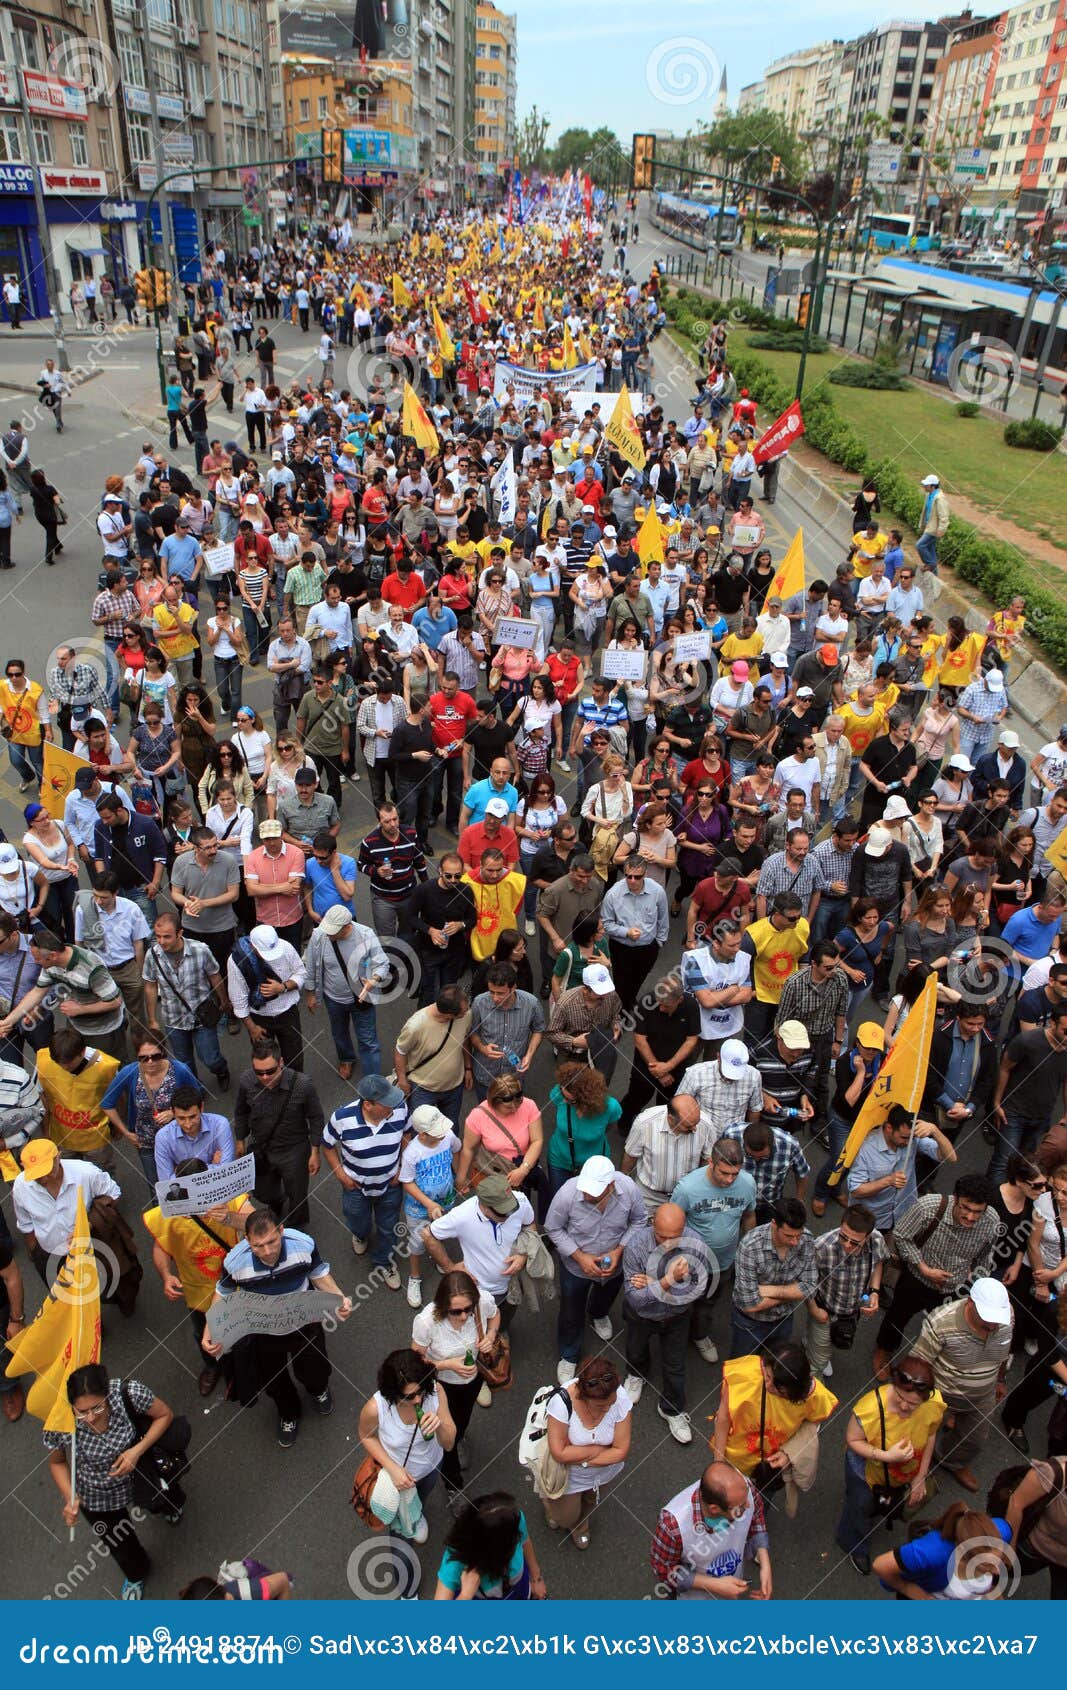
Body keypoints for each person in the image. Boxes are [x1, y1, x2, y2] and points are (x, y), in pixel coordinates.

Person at [202, 1206, 351, 1449]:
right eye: (258, 1246)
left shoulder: (303, 1245)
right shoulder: (234, 1262)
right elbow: (223, 1292)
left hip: (305, 1320)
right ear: (246, 1240)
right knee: (274, 1379)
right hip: (263, 1329)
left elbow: (317, 1272)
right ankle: (288, 1412)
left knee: (315, 1367)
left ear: (281, 1230)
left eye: (272, 1241)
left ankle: (317, 1389)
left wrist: (338, 1297)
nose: (267, 1251)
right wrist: (211, 1328)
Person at [45, 1363, 185, 1599]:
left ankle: (170, 1506)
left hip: (141, 1473)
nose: (89, 1417)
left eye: (97, 1408)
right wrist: (70, 1496)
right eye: (80, 1411)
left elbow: (164, 1415)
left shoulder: (129, 1393)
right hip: (96, 1493)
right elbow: (57, 1462)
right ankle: (136, 1574)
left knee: (163, 1499)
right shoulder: (60, 1420)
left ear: (108, 1395)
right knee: (119, 1542)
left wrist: (136, 1451)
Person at [143, 1160, 253, 1397]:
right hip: (198, 1291)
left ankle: (245, 1368)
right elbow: (161, 1247)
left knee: (241, 1332)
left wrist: (229, 1218)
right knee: (202, 1332)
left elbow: (256, 1223)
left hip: (234, 1286)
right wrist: (166, 1275)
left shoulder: (230, 1198)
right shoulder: (171, 1211)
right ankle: (213, 1366)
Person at [357, 1349, 457, 1587]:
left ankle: (417, 1511)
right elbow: (366, 1436)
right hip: (397, 1481)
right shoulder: (376, 1408)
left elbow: (449, 1443)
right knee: (402, 1538)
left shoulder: (435, 1392)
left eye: (421, 1391)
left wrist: (440, 1424)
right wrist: (393, 1469)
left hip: (431, 1468)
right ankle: (407, 1587)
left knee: (421, 1496)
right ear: (392, 1394)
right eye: (409, 1397)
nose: (418, 1400)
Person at [836, 1353, 943, 1575]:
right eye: (900, 1397)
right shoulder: (869, 1409)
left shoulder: (933, 1405)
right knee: (860, 1506)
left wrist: (920, 1476)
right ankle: (854, 1544)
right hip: (865, 1471)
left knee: (877, 1504)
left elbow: (931, 1436)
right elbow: (852, 1439)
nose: (904, 1406)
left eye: (913, 1403)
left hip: (902, 1473)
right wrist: (887, 1457)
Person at [712, 1337, 837, 1519]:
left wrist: (790, 1453)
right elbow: (723, 1418)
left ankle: (753, 1524)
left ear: (795, 1389)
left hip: (771, 1465)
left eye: (777, 1386)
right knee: (729, 1501)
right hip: (735, 1457)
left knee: (760, 1502)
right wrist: (718, 1462)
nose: (767, 1385)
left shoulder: (814, 1396)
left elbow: (813, 1424)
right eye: (767, 1376)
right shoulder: (746, 1374)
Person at [546, 1156, 645, 1383]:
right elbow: (553, 1228)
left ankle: (598, 1314)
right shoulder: (568, 1193)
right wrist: (580, 1257)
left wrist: (619, 1251)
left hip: (614, 1263)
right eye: (587, 1191)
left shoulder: (628, 1189)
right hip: (575, 1265)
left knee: (607, 1295)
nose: (588, 1195)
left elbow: (639, 1220)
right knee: (571, 1310)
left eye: (595, 1192)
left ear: (611, 1186)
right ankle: (569, 1354)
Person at [910, 1279, 1014, 1491]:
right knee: (918, 1436)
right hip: (941, 1395)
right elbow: (919, 1363)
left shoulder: (1008, 1317)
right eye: (988, 1318)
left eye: (997, 1319)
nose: (993, 1325)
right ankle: (912, 1467)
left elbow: (1004, 1352)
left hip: (983, 1395)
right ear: (969, 1303)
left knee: (974, 1440)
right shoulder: (941, 1321)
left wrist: (1001, 1380)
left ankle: (951, 1460)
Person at [621, 1201, 710, 1445]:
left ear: (684, 1228)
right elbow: (636, 1300)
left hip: (676, 1317)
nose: (668, 1243)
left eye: (674, 1237)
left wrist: (656, 1283)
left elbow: (698, 1290)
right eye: (661, 1236)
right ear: (652, 1225)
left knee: (675, 1364)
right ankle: (636, 1374)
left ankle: (672, 1409)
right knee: (636, 1348)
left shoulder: (697, 1246)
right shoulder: (636, 1247)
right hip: (643, 1315)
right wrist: (669, 1280)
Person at [412, 1267, 500, 1493]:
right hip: (441, 1385)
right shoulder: (426, 1322)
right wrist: (447, 1365)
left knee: (463, 1417)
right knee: (446, 1434)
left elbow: (494, 1315)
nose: (463, 1316)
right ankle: (453, 1486)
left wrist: (490, 1336)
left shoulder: (481, 1302)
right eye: (456, 1311)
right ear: (442, 1307)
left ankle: (459, 1435)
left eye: (468, 1309)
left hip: (472, 1380)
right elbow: (416, 1361)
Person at [424, 1173, 536, 1334]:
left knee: (503, 1320)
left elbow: (530, 1225)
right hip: (479, 1291)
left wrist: (523, 1255)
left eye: (510, 1209)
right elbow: (428, 1235)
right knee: (474, 1332)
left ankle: (498, 1333)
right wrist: (450, 1268)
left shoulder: (521, 1201)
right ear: (483, 1205)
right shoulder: (462, 1216)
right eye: (502, 1212)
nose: (508, 1215)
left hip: (513, 1285)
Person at [542, 1356, 634, 1550]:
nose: (609, 1408)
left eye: (612, 1402)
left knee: (591, 1501)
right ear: (584, 1397)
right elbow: (559, 1453)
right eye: (601, 1406)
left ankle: (581, 1526)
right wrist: (597, 1451)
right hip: (569, 1477)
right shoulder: (562, 1402)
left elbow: (620, 1451)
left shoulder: (619, 1396)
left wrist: (579, 1457)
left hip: (602, 1473)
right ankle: (550, 1503)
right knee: (565, 1516)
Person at [0, 922, 126, 1061]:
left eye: (37, 959)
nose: (35, 962)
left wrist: (80, 1009)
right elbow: (37, 992)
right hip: (76, 1027)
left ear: (53, 955)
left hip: (103, 1030)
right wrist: (8, 1022)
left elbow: (115, 1001)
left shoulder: (91, 967)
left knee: (108, 1068)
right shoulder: (50, 965)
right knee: (78, 1066)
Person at [233, 1038, 323, 1230]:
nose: (265, 1077)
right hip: (262, 1147)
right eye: (259, 1072)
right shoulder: (247, 1081)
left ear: (281, 1062)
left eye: (270, 1071)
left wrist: (315, 1151)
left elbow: (316, 1118)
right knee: (261, 1190)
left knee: (297, 1195)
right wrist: (240, 1139)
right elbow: (241, 1112)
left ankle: (296, 1226)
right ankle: (277, 1200)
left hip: (294, 1149)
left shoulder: (302, 1085)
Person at [650, 1460, 772, 1600]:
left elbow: (755, 1515)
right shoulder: (672, 1525)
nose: (748, 1504)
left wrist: (765, 1562)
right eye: (741, 1507)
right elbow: (664, 1570)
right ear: (715, 1508)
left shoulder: (742, 1489)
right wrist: (714, 1585)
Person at [142, 911, 229, 1090]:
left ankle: (221, 1070)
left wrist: (224, 1001)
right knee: (184, 1062)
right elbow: (150, 986)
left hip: (201, 1016)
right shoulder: (153, 955)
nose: (161, 941)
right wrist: (152, 1020)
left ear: (180, 933)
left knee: (210, 1058)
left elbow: (214, 975)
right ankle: (195, 1088)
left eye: (167, 936)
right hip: (173, 1019)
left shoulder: (200, 950)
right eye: (158, 936)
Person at [303, 904, 388, 1082]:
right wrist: (310, 993)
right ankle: (346, 1058)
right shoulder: (320, 935)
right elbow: (311, 964)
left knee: (368, 1040)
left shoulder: (365, 935)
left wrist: (374, 980)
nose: (328, 934)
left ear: (347, 926)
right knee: (339, 1032)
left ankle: (372, 1081)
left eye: (333, 931)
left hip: (361, 997)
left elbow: (382, 964)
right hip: (333, 998)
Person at [805, 1203, 887, 1383]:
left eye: (855, 1242)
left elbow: (879, 1262)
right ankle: (814, 1392)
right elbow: (806, 1282)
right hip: (824, 1309)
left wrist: (874, 1291)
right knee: (816, 1364)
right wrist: (814, 1310)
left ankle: (813, 1345)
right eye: (843, 1237)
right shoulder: (821, 1247)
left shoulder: (877, 1240)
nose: (847, 1245)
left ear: (868, 1237)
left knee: (833, 1342)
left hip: (851, 1311)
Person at [730, 1198, 817, 1359]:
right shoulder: (750, 1246)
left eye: (798, 1235)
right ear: (774, 1224)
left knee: (777, 1365)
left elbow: (811, 1287)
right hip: (750, 1323)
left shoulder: (806, 1239)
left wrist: (766, 1290)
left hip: (784, 1318)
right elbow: (750, 1304)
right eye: (789, 1236)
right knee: (742, 1367)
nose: (795, 1241)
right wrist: (792, 1293)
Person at [873, 1501, 1012, 1598]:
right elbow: (880, 1565)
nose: (997, 1571)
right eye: (987, 1565)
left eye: (999, 1559)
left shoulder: (1000, 1532)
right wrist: (907, 1588)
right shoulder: (931, 1553)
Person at [435, 1491, 546, 1599]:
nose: (518, 1537)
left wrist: (536, 1578)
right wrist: (465, 1595)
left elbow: (525, 1542)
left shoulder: (512, 1517)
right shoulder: (455, 1563)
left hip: (518, 1588)